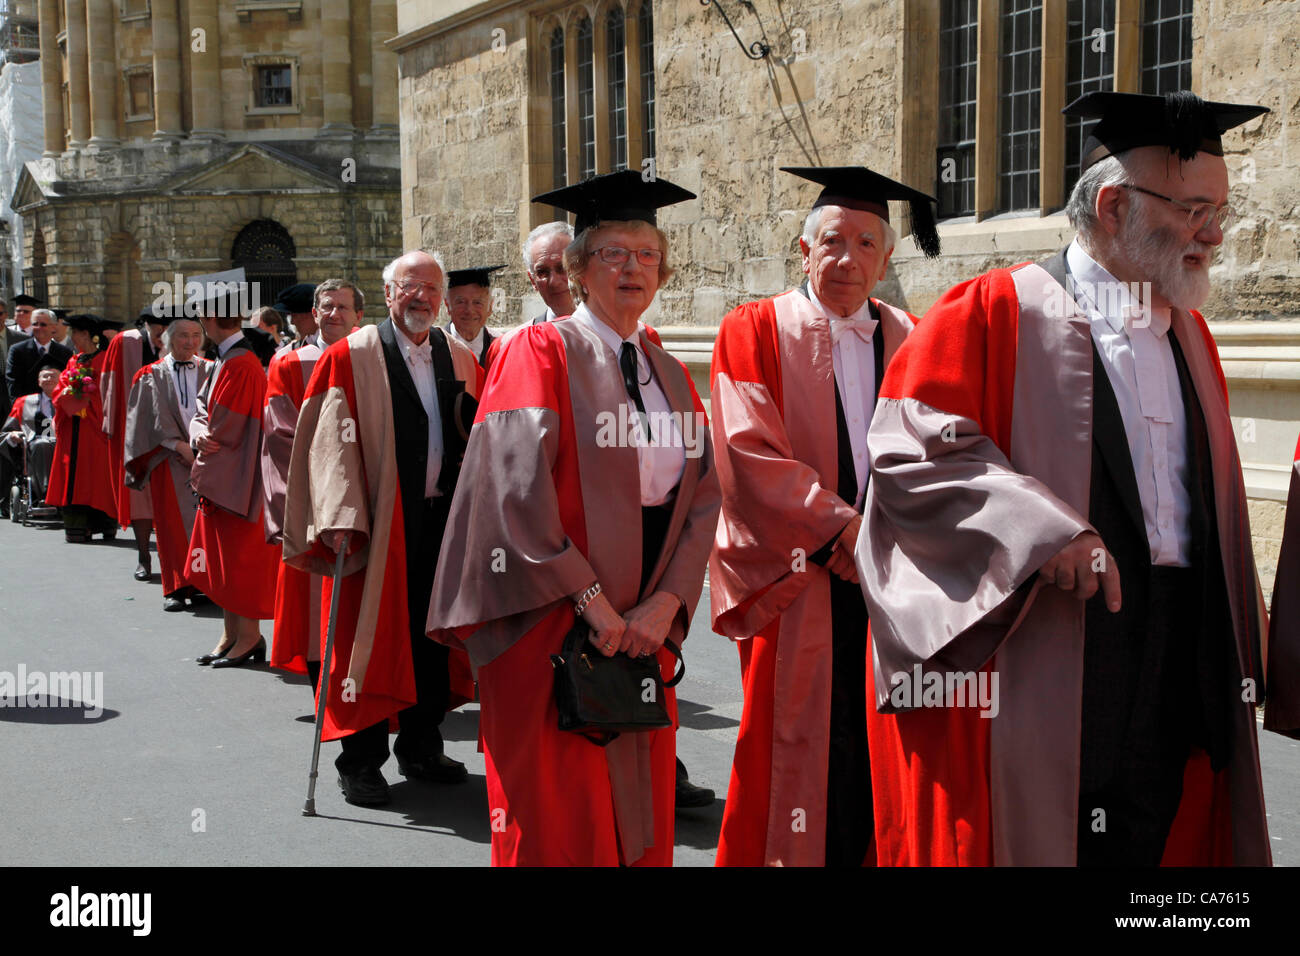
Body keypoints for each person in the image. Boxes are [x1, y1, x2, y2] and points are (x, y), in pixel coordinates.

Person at [858, 91, 1288, 866]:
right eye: (1195, 211)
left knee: (1155, 841)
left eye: (1219, 211)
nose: (1215, 235)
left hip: (1176, 655)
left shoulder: (1192, 338)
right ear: (1116, 206)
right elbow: (910, 455)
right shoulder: (990, 313)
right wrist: (1044, 530)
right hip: (1053, 652)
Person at [426, 170, 722, 866]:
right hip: (548, 621)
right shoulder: (541, 350)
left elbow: (703, 496)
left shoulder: (669, 371)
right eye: (613, 254)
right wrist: (592, 603)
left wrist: (665, 605)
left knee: (637, 811)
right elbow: (512, 492)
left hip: (644, 630)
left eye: (647, 256)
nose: (632, 269)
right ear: (579, 270)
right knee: (557, 814)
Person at [708, 166, 939, 867]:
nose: (848, 259)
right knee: (799, 746)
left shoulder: (916, 338)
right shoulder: (754, 330)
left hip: (889, 584)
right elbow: (748, 454)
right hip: (797, 580)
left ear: (886, 258)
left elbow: (944, 454)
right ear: (803, 252)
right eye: (832, 242)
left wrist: (880, 540)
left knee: (888, 748)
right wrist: (843, 530)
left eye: (866, 244)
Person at [282, 251, 481, 807]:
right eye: (409, 288)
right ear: (388, 293)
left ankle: (421, 746)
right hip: (379, 520)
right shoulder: (352, 356)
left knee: (432, 639)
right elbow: (330, 440)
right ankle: (360, 761)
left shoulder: (460, 355)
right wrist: (342, 516)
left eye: (431, 289)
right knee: (362, 639)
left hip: (444, 520)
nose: (422, 298)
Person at [263, 279, 362, 691]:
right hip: (312, 502)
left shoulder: (371, 356)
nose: (334, 313)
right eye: (327, 306)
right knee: (314, 597)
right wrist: (315, 493)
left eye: (343, 307)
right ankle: (322, 678)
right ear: (314, 312)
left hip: (365, 498)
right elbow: (278, 434)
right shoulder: (290, 364)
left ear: (359, 314)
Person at [185, 296, 281, 666]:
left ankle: (249, 637)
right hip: (229, 474)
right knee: (224, 560)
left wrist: (202, 437)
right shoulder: (231, 358)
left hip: (239, 479)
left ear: (209, 318)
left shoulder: (241, 363)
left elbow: (226, 427)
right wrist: (197, 431)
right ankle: (231, 634)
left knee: (238, 560)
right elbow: (204, 412)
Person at [123, 318, 215, 612]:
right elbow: (146, 421)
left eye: (195, 335)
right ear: (167, 339)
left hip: (210, 458)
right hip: (168, 459)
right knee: (172, 526)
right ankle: (175, 585)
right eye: (183, 336)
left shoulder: (212, 370)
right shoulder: (150, 374)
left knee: (206, 525)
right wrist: (177, 446)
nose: (190, 342)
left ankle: (204, 584)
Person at [102, 309, 165, 580]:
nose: (162, 336)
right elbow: (110, 382)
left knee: (170, 500)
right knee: (139, 496)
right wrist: (112, 425)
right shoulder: (125, 342)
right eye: (158, 330)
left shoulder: (184, 343)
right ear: (148, 325)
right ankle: (143, 556)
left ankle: (173, 560)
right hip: (136, 430)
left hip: (170, 433)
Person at [46, 315, 118, 542]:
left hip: (94, 427)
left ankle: (102, 523)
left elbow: (110, 394)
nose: (71, 336)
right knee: (73, 473)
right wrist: (68, 396)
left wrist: (87, 399)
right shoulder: (73, 360)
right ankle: (78, 527)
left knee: (97, 475)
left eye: (74, 332)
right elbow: (61, 388)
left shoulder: (105, 359)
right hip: (73, 427)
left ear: (86, 334)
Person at [1, 360, 59, 514]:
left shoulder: (71, 400)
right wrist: (13, 435)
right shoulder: (24, 402)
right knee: (42, 444)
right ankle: (47, 494)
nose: (49, 379)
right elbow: (6, 432)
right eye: (45, 376)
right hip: (35, 445)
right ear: (39, 381)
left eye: (53, 376)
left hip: (63, 443)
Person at [6, 308, 72, 403]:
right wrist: (22, 408)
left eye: (43, 324)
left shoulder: (65, 353)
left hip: (57, 407)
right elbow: (13, 384)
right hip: (28, 408)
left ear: (53, 327)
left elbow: (67, 383)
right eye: (35, 324)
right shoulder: (17, 351)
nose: (38, 328)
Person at [444, 265, 504, 367]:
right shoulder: (433, 348)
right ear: (447, 306)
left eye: (477, 302)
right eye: (461, 302)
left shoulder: (502, 347)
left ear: (490, 307)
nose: (469, 310)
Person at [523, 221, 575, 324]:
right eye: (542, 272)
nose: (554, 282)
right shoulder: (523, 339)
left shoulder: (611, 334)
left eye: (563, 267)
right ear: (532, 280)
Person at [272, 283, 319, 347]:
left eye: (294, 316)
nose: (292, 322)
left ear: (313, 314)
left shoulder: (332, 346)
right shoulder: (292, 349)